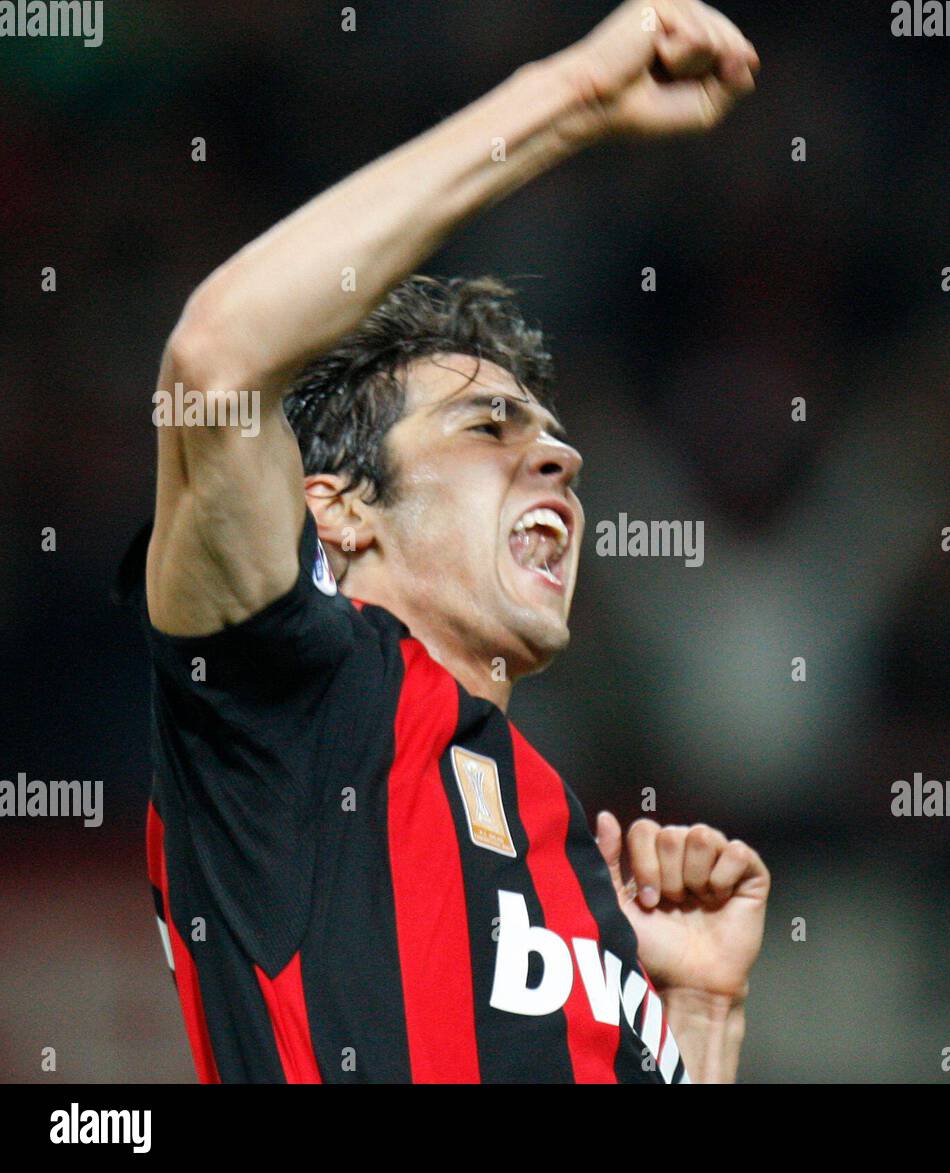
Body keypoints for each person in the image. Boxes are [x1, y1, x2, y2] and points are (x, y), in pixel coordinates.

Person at [121, 0, 769, 1083]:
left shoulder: (568, 847)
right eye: (488, 428)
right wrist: (568, 98)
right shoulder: (290, 713)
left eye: (558, 439)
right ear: (339, 510)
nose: (562, 462)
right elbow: (216, 360)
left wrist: (701, 1012)